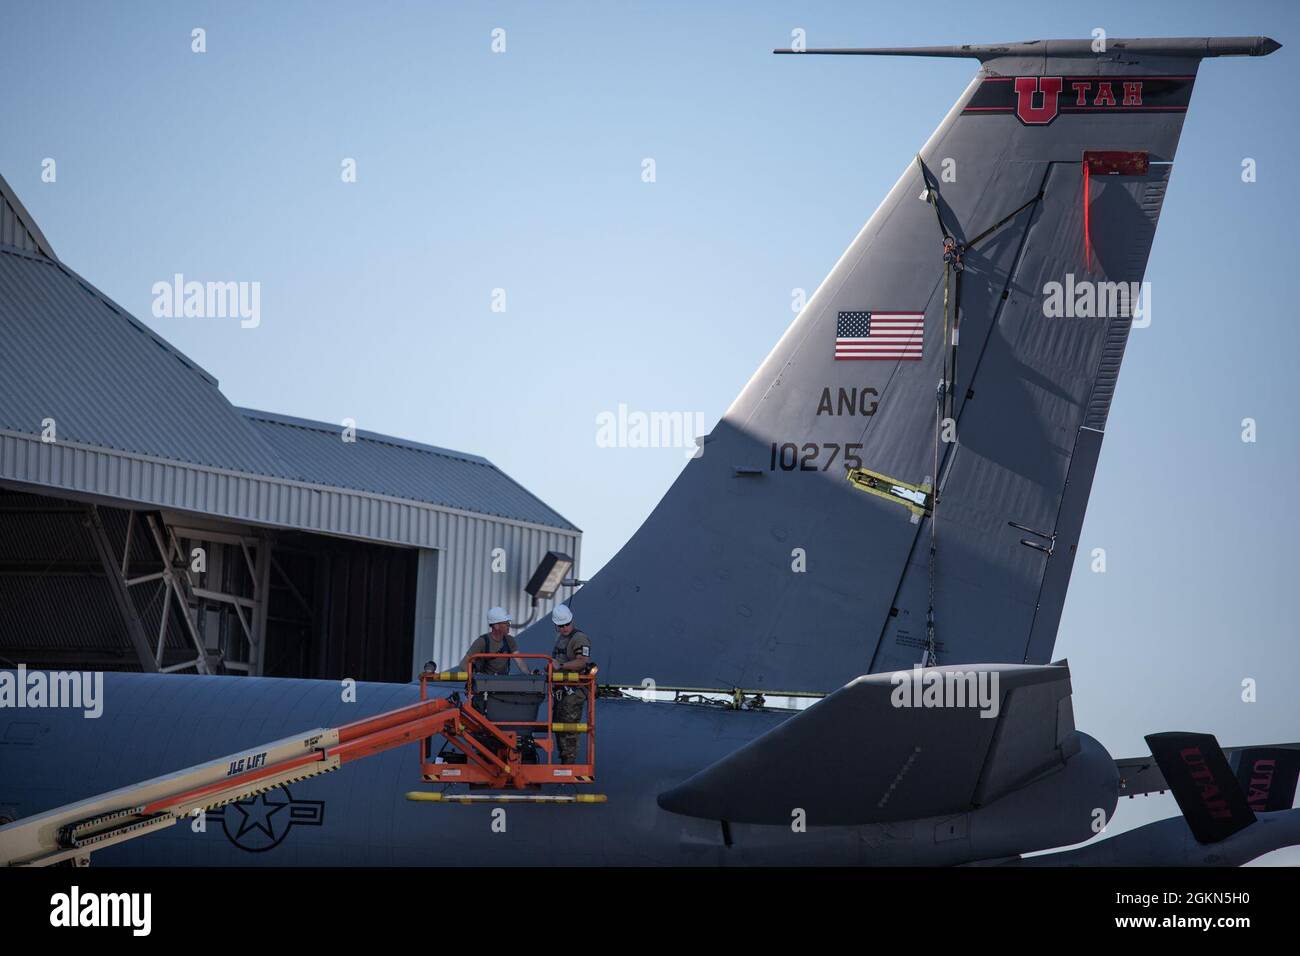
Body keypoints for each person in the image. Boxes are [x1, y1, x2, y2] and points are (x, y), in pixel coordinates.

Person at [549, 604, 591, 764]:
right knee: (560, 727)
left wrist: (561, 666)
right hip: (562, 691)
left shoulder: (579, 638)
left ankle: (569, 765)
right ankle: (565, 762)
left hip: (573, 692)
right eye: (561, 626)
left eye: (567, 624)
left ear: (571, 621)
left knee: (569, 729)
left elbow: (582, 662)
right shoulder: (561, 639)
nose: (564, 628)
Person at [458, 606, 524, 675]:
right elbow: (463, 664)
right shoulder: (482, 642)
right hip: (484, 683)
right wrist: (476, 677)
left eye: (509, 623)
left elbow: (520, 663)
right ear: (496, 626)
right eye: (506, 623)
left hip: (502, 682)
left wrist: (530, 675)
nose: (509, 625)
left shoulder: (510, 640)